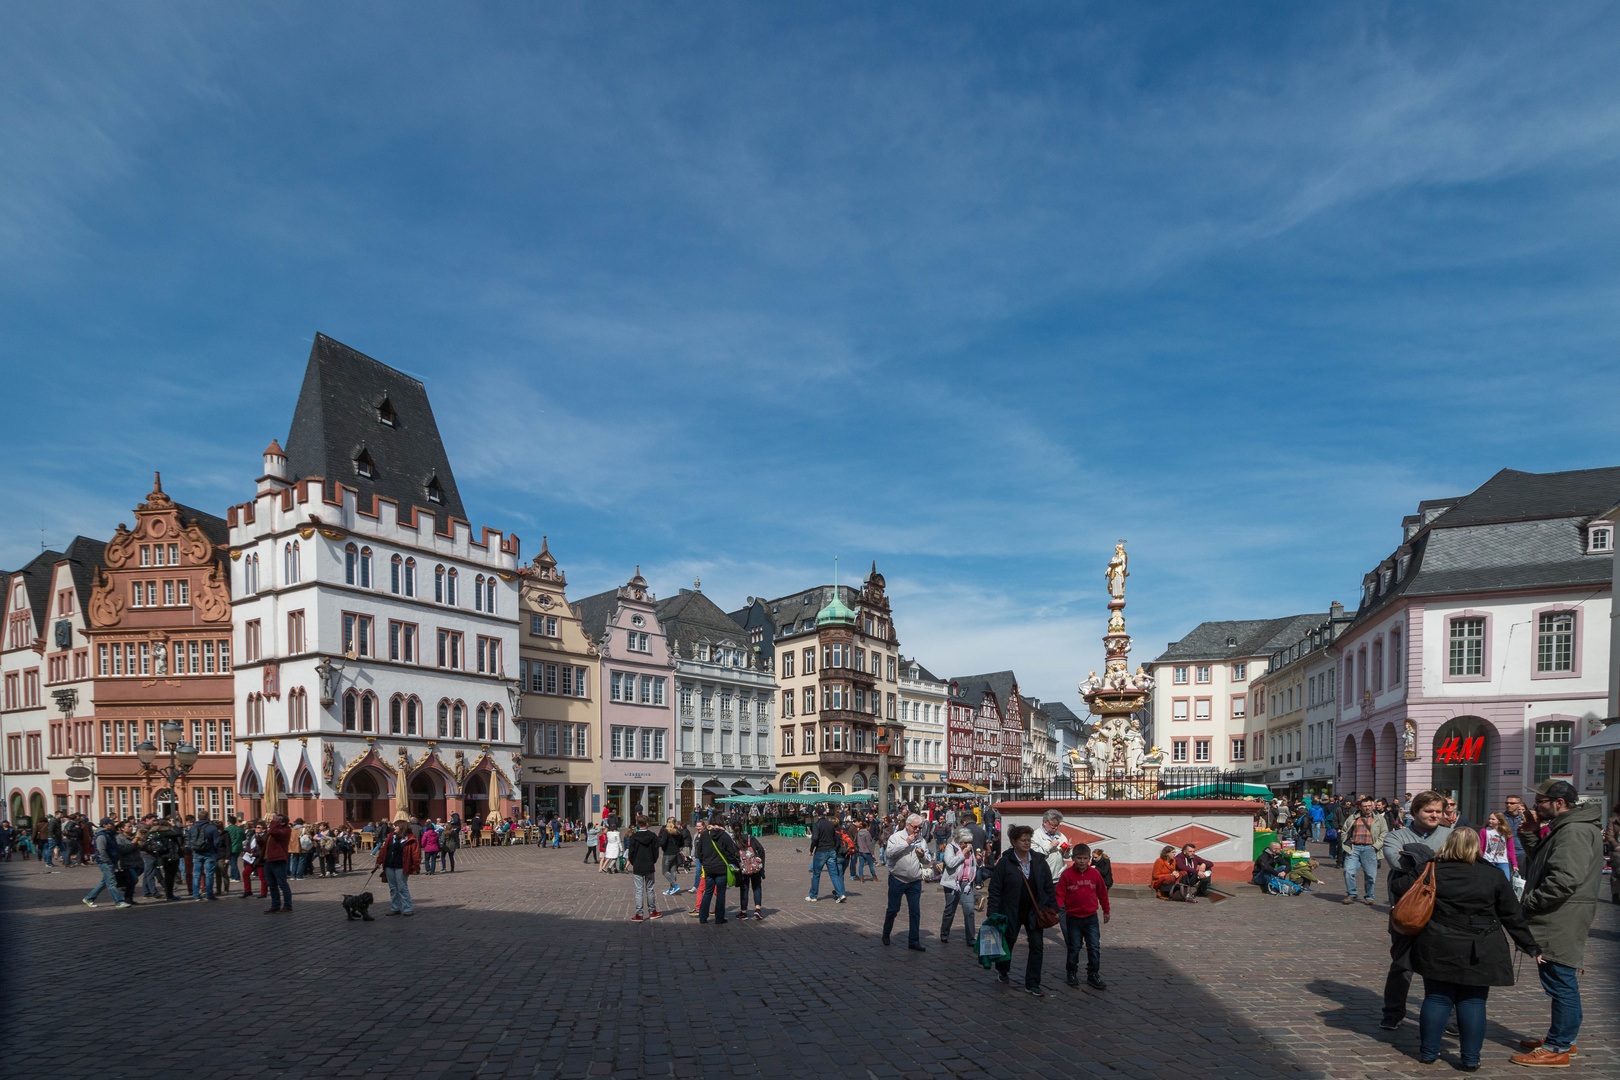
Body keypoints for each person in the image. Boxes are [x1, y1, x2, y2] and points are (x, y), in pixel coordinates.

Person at [1392, 828, 1540, 1070]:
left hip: (1438, 942)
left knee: (1437, 998)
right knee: (1472, 1002)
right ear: (1476, 847)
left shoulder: (1431, 870)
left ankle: (1428, 1053)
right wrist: (1529, 945)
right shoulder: (1492, 875)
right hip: (1480, 945)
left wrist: (1417, 862)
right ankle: (1470, 1058)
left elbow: (1399, 887)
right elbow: (1511, 915)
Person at [1508, 780, 1604, 1068]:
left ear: (1559, 803)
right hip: (1559, 914)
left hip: (1560, 917)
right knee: (1560, 981)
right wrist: (1530, 834)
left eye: (1541, 801)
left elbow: (1564, 879)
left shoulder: (1574, 830)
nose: (1535, 806)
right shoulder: (1567, 827)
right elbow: (1544, 862)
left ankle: (1559, 1046)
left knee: (1561, 982)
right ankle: (1561, 1037)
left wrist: (1528, 903)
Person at [1379, 790, 1454, 1030]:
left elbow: (1460, 868)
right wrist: (1437, 862)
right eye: (1428, 811)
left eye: (1438, 811)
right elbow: (1397, 862)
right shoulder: (1397, 836)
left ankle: (1449, 1018)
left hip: (1443, 909)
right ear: (1415, 812)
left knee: (1444, 967)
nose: (1434, 815)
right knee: (1401, 965)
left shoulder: (1452, 836)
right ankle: (1393, 1012)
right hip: (1406, 909)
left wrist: (1417, 858)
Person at [986, 824, 1058, 996]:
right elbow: (995, 889)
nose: (1027, 843)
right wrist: (992, 912)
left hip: (1035, 910)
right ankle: (1003, 970)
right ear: (1014, 842)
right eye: (1023, 840)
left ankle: (1033, 983)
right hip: (1012, 909)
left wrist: (1053, 907)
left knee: (1037, 946)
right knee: (1008, 942)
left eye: (1028, 840)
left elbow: (1048, 886)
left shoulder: (1039, 861)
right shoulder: (1005, 862)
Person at [1057, 844, 1109, 990]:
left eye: (1085, 858)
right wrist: (1055, 909)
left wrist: (1106, 910)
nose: (1081, 861)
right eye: (1079, 858)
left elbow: (1102, 893)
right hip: (1073, 917)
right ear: (1073, 858)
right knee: (1074, 947)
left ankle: (1093, 974)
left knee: (1094, 946)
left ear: (1089, 859)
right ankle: (1072, 972)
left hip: (1091, 917)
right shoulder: (1067, 875)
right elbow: (1060, 894)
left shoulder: (1095, 874)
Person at [881, 814, 930, 950]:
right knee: (893, 909)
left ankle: (914, 941)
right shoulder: (896, 837)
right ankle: (886, 933)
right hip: (897, 879)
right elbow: (890, 853)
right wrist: (906, 843)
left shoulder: (921, 839)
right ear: (907, 825)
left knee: (915, 911)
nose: (917, 830)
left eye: (919, 827)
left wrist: (922, 855)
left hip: (914, 881)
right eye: (915, 827)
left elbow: (928, 859)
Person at [1342, 796, 1389, 906]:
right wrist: (1346, 842)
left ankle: (1369, 896)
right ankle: (1352, 893)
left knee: (1370, 875)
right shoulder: (1353, 817)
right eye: (1365, 806)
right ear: (1360, 807)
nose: (1367, 808)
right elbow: (1345, 830)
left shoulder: (1379, 819)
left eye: (1369, 806)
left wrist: (1376, 846)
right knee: (1348, 871)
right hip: (1354, 847)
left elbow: (1384, 833)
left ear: (1373, 806)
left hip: (1370, 848)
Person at [939, 827, 978, 946]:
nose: (967, 845)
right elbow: (950, 863)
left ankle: (971, 938)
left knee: (969, 911)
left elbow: (972, 865)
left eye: (969, 842)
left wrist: (979, 860)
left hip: (967, 883)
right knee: (950, 910)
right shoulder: (951, 847)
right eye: (965, 842)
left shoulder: (970, 849)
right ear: (959, 840)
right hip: (953, 883)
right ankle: (944, 933)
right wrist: (963, 853)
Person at [695, 818, 738, 925]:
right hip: (721, 868)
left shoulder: (704, 835)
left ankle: (703, 916)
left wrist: (703, 862)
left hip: (708, 867)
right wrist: (732, 863)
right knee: (720, 893)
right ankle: (719, 918)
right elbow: (731, 852)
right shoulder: (724, 835)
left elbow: (698, 851)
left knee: (708, 892)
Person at [375, 820, 421, 916]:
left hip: (401, 865)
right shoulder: (391, 837)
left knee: (402, 887)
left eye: (396, 826)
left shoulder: (410, 839)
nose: (394, 827)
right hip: (389, 865)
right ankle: (395, 907)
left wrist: (415, 866)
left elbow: (416, 853)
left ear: (402, 827)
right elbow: (384, 850)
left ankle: (408, 908)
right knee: (393, 888)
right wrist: (379, 861)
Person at [81, 818, 127, 908]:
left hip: (111, 861)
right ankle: (119, 901)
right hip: (105, 862)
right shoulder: (102, 836)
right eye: (110, 824)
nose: (113, 825)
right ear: (104, 825)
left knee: (105, 882)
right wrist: (107, 861)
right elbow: (101, 850)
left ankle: (89, 898)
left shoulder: (110, 835)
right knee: (111, 883)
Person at [806, 808, 847, 903]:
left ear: (817, 814)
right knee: (834, 874)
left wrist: (811, 849)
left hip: (821, 851)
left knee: (816, 874)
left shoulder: (817, 825)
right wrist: (834, 848)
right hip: (831, 851)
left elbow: (815, 838)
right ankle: (841, 894)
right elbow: (835, 837)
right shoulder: (830, 824)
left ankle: (813, 896)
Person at [734, 823, 766, 920]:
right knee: (756, 887)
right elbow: (761, 849)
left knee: (744, 888)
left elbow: (734, 856)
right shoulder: (750, 838)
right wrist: (760, 863)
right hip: (755, 867)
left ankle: (743, 912)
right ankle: (758, 909)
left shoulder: (735, 841)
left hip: (743, 869)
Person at [264, 814, 293, 913]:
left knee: (282, 883)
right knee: (271, 884)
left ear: (283, 822)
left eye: (277, 820)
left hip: (278, 859)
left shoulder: (285, 830)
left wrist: (274, 822)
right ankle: (275, 905)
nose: (274, 821)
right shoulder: (276, 829)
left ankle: (287, 905)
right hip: (269, 859)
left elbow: (273, 832)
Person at [1031, 809, 1070, 882]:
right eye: (1053, 825)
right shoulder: (1035, 836)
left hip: (1059, 877)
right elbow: (1034, 855)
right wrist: (1049, 846)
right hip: (1043, 878)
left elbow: (1067, 856)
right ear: (1045, 822)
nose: (1056, 828)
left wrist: (1066, 851)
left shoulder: (1060, 836)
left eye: (1057, 825)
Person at [1479, 812, 1517, 880]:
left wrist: (1514, 864)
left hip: (1503, 861)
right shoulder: (1484, 831)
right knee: (1488, 880)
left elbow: (1510, 849)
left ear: (1499, 821)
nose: (1490, 821)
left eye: (1493, 819)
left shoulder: (1505, 832)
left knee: (1505, 880)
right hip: (1488, 860)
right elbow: (1481, 846)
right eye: (1489, 819)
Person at [660, 818, 684, 895]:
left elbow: (663, 842)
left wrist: (662, 846)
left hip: (668, 853)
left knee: (665, 871)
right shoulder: (678, 831)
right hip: (676, 853)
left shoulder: (666, 831)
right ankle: (671, 889)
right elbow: (682, 843)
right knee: (672, 871)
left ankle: (675, 885)